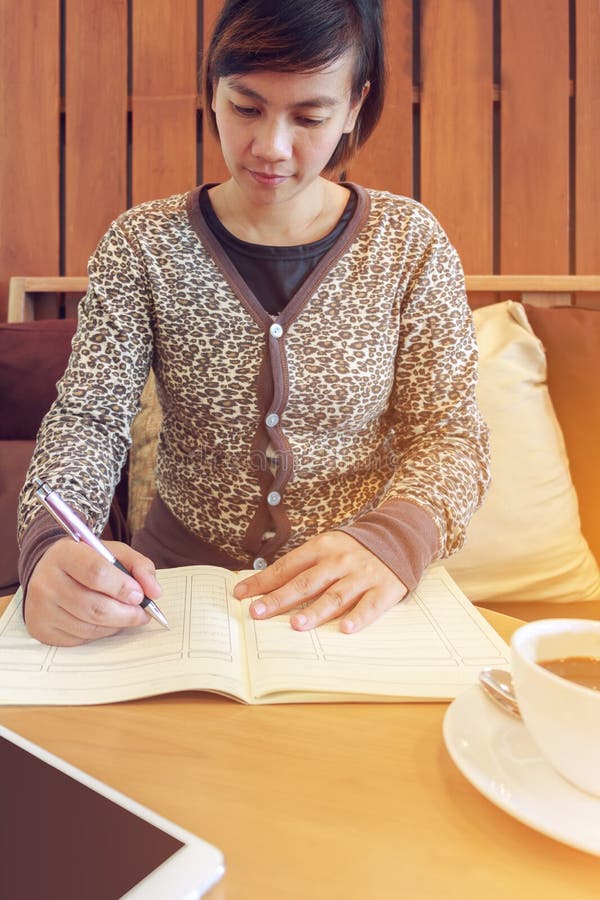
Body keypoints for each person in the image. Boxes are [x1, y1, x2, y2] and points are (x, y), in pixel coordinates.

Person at [17, 0, 490, 647]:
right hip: (178, 587)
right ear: (212, 89)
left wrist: (393, 540)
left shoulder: (408, 244)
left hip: (357, 588)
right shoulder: (143, 245)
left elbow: (450, 433)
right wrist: (50, 544)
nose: (270, 146)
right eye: (246, 107)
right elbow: (88, 419)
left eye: (309, 116)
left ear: (355, 104)